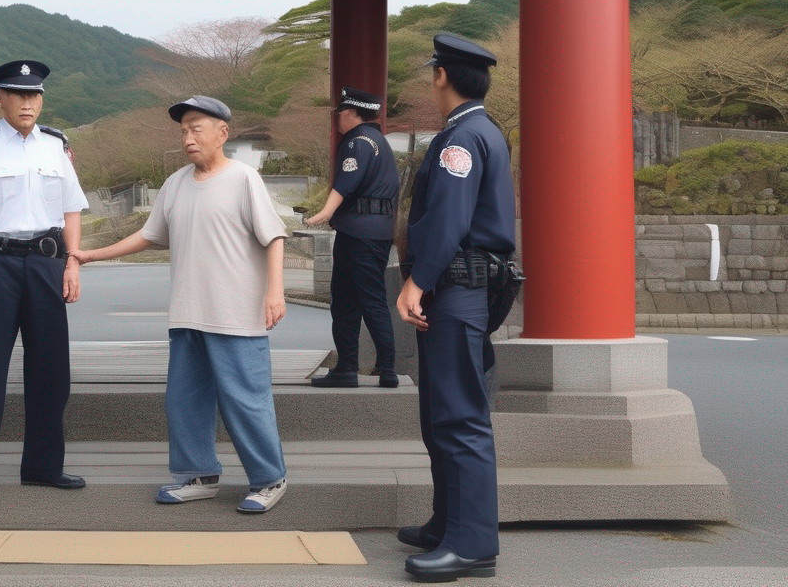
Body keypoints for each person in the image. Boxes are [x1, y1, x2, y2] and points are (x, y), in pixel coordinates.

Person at [72, 96, 290, 513]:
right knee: (185, 398)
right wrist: (92, 254)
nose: (188, 137)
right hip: (188, 312)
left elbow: (274, 236)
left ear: (222, 133)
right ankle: (199, 474)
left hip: (237, 313)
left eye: (196, 128)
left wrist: (275, 291)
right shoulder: (175, 183)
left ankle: (269, 478)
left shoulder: (244, 179)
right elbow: (149, 235)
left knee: (245, 399)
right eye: (183, 131)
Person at [394, 33, 515, 583]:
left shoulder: (460, 141)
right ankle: (449, 523)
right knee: (443, 413)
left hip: (456, 288)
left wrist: (416, 282)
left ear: (441, 75)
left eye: (432, 72)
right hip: (464, 288)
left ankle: (471, 545)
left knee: (460, 415)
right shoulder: (480, 131)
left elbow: (446, 220)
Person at [0, 59, 89, 506]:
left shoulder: (57, 145)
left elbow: (71, 210)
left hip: (47, 262)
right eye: (18, 94)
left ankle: (44, 467)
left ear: (42, 99)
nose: (28, 102)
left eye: (35, 95)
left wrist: (72, 264)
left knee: (51, 369)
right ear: (0, 99)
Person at [304, 87, 400, 389]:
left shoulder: (357, 141)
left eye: (339, 113)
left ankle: (379, 368)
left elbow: (346, 183)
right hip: (373, 231)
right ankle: (360, 368)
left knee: (358, 300)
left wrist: (323, 213)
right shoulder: (379, 141)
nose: (336, 119)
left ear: (353, 113)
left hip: (360, 233)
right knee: (354, 299)